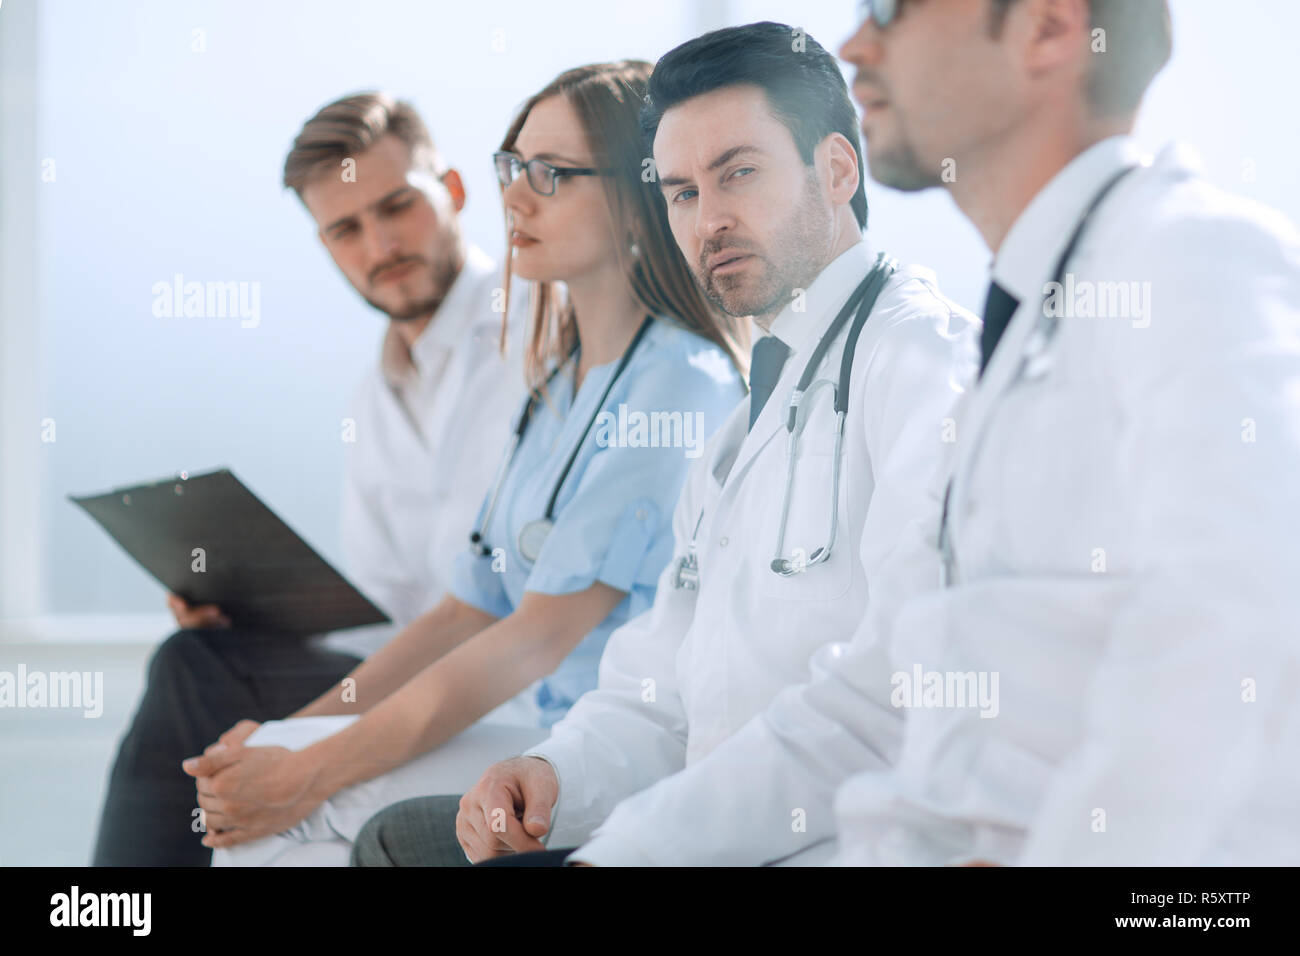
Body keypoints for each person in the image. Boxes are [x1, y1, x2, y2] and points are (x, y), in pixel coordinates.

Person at [353, 21, 977, 867]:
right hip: (702, 830)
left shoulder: (920, 360)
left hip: (827, 842)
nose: (709, 220)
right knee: (406, 841)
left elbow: (898, 684)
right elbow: (656, 694)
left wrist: (645, 841)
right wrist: (548, 772)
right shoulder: (741, 426)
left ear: (837, 169)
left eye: (739, 175)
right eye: (681, 192)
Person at [186, 60, 748, 867]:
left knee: (284, 818)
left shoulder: (679, 386)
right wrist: (294, 732)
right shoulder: (559, 379)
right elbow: (466, 609)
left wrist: (307, 771)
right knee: (266, 780)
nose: (515, 198)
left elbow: (533, 638)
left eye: (551, 175)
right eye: (514, 169)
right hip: (537, 718)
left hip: (601, 742)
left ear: (636, 192)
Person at [827, 0, 1300, 865]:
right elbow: (879, 699)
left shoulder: (1192, 257)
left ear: (1047, 29)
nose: (854, 44)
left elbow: (1234, 613)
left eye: (889, 10)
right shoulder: (1011, 342)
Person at [90, 91, 527, 866]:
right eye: (345, 229)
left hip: (503, 687)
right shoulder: (375, 392)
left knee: (196, 679)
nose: (380, 243)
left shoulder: (531, 337)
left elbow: (493, 605)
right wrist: (254, 621)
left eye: (399, 206)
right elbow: (386, 612)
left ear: (454, 192)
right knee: (201, 657)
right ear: (324, 245)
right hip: (402, 669)